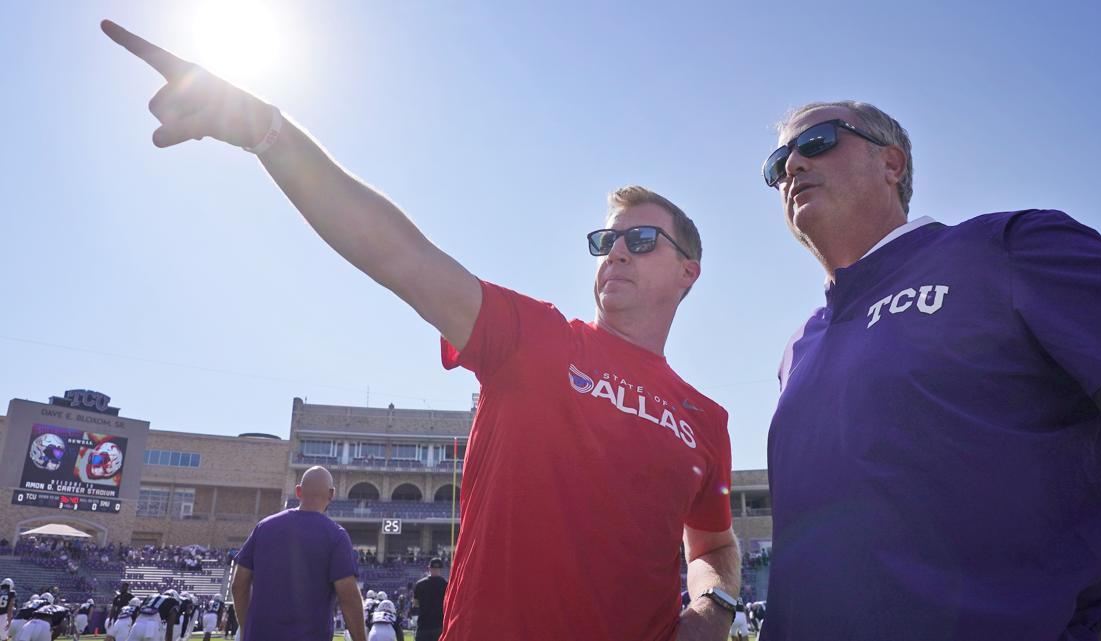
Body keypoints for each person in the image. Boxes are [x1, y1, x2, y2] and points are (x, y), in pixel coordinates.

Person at [102, 19, 740, 641]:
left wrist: (713, 610)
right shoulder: (537, 337)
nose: (617, 251)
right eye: (607, 239)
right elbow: (400, 254)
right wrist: (270, 131)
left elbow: (713, 542)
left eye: (641, 239)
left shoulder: (705, 418)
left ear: (689, 272)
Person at [760, 100, 1101, 641]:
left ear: (892, 165)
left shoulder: (1002, 249)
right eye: (777, 163)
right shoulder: (799, 346)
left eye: (817, 141)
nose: (792, 165)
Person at [229, 466, 366, 641]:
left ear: (298, 491)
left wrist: (246, 629)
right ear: (331, 494)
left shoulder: (264, 527)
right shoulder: (336, 535)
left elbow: (238, 584)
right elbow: (348, 597)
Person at [411, 559, 447, 641]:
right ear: (441, 569)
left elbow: (415, 604)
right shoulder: (446, 585)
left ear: (429, 568)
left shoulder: (419, 584)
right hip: (439, 625)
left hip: (423, 625)